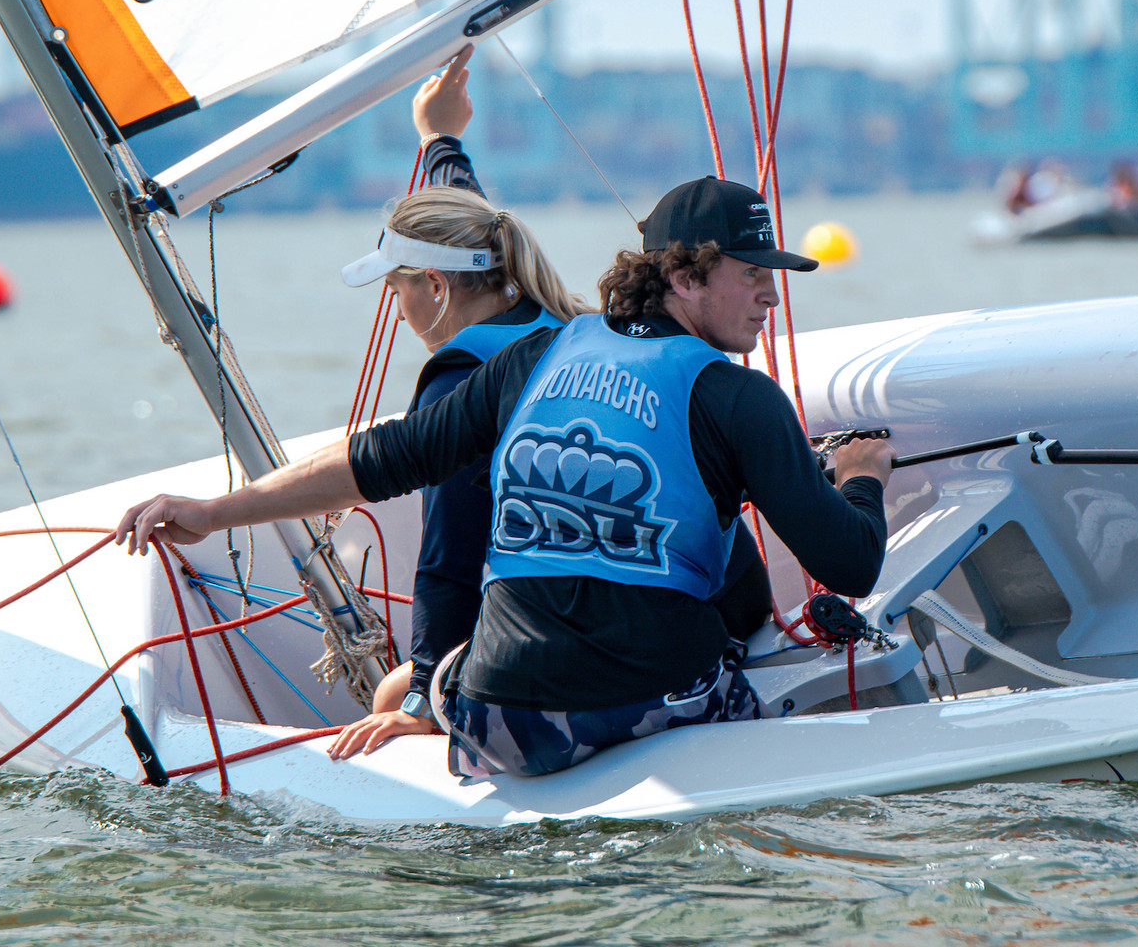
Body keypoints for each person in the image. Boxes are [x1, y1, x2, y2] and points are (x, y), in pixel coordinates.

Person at [114, 176, 892, 780]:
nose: (770, 292)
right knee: (751, 662)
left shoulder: (531, 359)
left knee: (431, 677)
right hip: (643, 708)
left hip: (496, 722)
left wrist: (215, 512)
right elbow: (853, 565)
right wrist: (859, 478)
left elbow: (379, 460)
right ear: (685, 278)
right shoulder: (739, 397)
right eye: (752, 272)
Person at [337, 44, 589, 747]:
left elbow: (446, 562)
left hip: (552, 638)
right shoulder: (551, 314)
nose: (395, 306)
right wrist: (440, 139)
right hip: (627, 601)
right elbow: (477, 220)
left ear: (437, 286)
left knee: (391, 688)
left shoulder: (457, 384)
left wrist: (421, 701)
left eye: (397, 286)